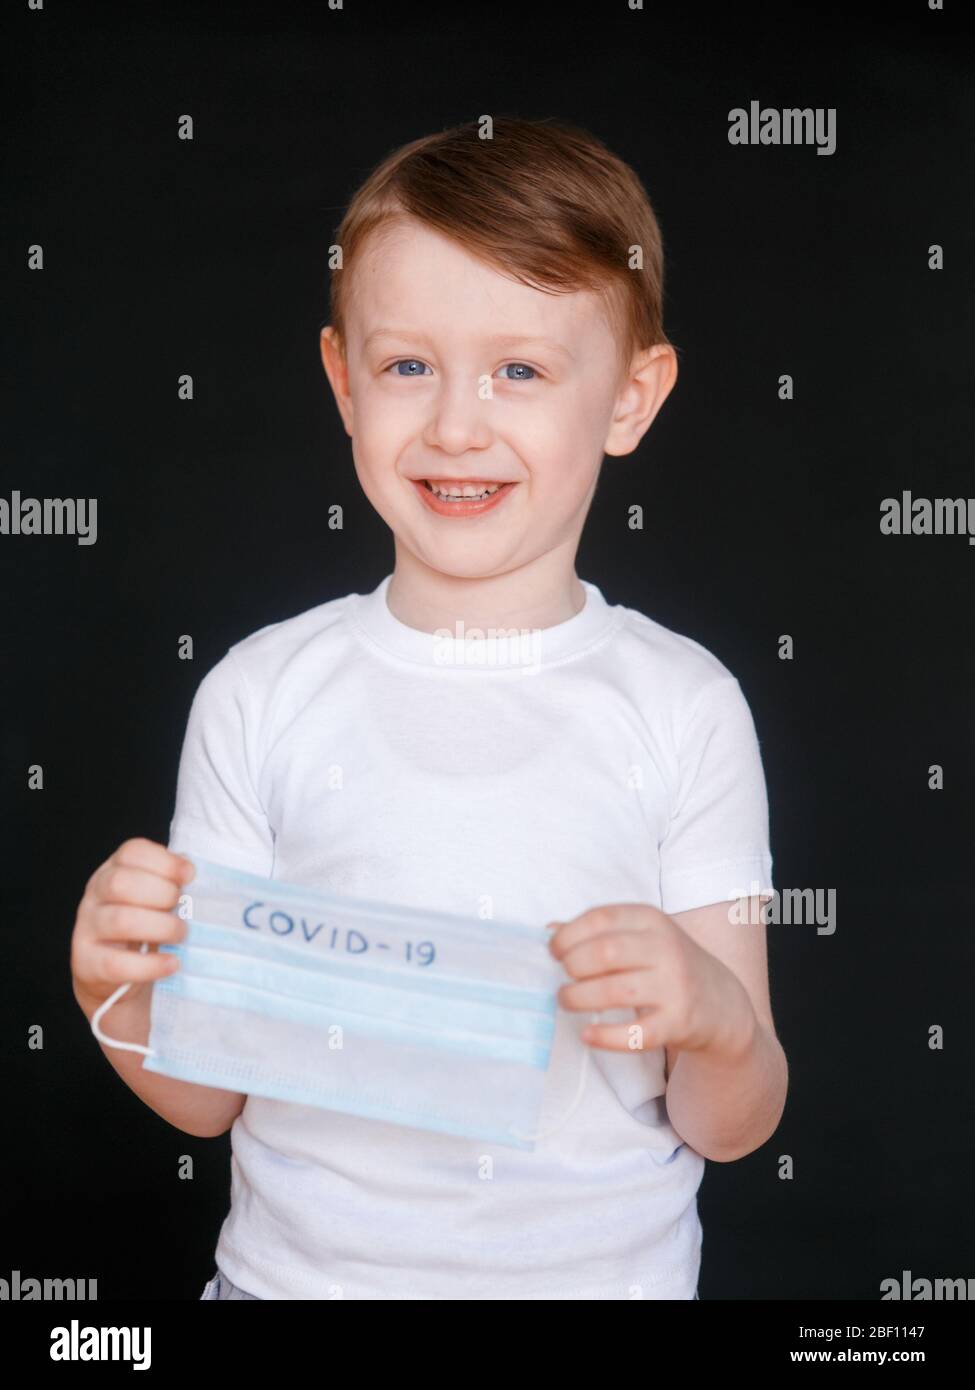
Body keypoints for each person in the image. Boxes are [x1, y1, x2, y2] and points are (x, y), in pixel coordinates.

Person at [70, 116, 788, 1300]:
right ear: (343, 381)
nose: (457, 424)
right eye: (409, 365)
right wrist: (116, 989)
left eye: (520, 369)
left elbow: (733, 1120)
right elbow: (207, 1098)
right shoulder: (261, 693)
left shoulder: (684, 706)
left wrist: (712, 1016)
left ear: (630, 397)